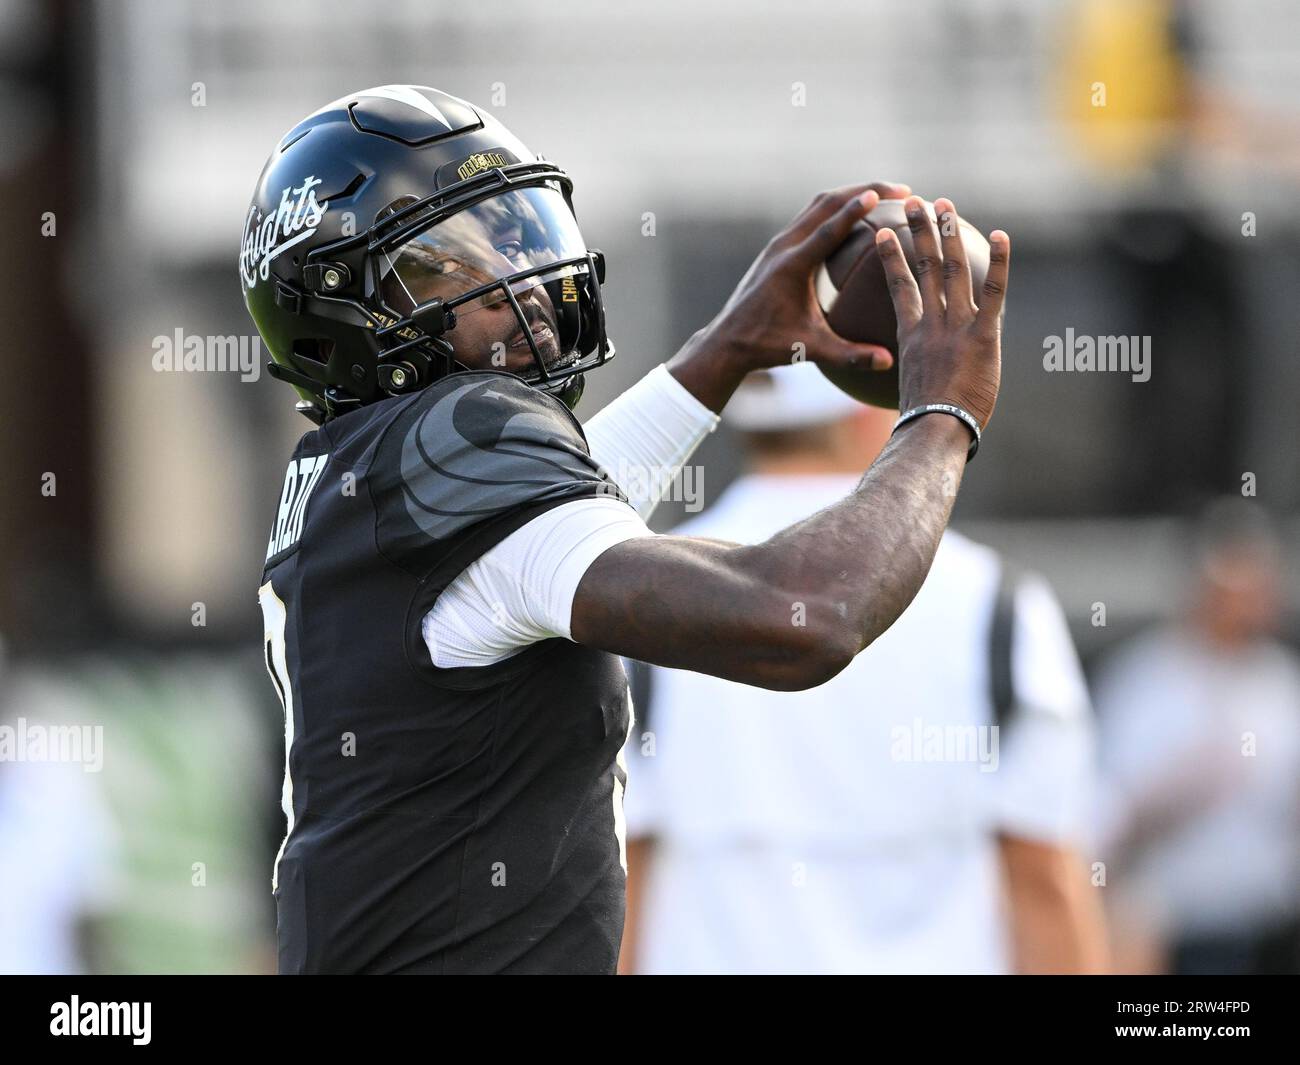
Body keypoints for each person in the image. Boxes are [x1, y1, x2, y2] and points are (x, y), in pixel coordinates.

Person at [241, 85, 1010, 974]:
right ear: (339, 312)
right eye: (451, 262)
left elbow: (545, 532)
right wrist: (943, 414)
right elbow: (805, 614)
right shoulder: (457, 441)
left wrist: (723, 351)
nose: (518, 283)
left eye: (513, 233)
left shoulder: (362, 475)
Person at [618, 364, 1106, 974]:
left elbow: (625, 883)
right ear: (877, 406)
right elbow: (1045, 885)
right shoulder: (999, 604)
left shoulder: (643, 597)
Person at [1093, 499, 1300, 974]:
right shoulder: (1143, 680)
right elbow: (1105, 814)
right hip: (1174, 936)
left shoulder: (1282, 684)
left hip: (1271, 931)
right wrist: (1178, 789)